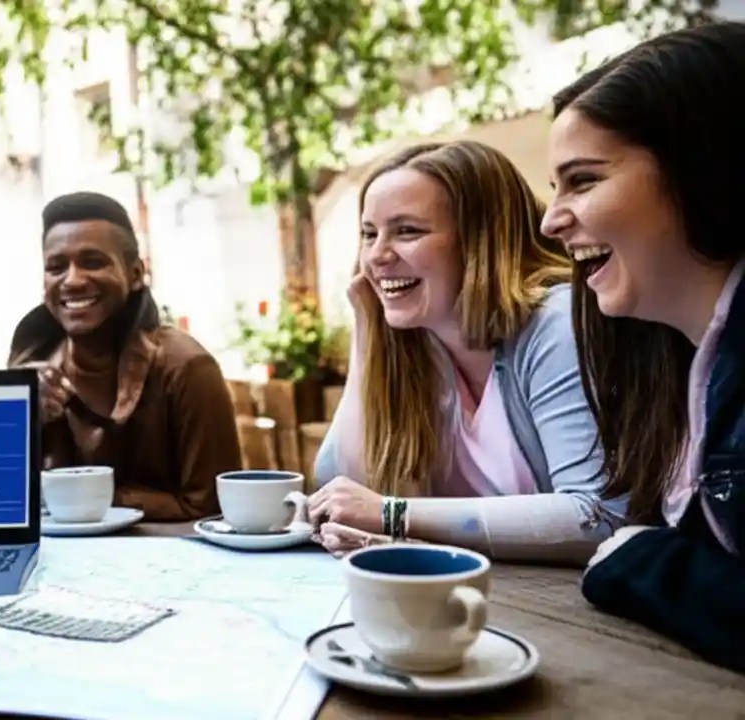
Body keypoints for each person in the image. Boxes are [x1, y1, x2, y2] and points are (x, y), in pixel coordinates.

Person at [307, 140, 623, 563]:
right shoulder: (419, 339)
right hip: (477, 597)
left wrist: (395, 514)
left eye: (407, 231)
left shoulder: (557, 325)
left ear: (480, 242)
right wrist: (366, 332)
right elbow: (344, 487)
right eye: (369, 234)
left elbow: (597, 516)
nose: (377, 256)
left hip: (573, 614)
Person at [541, 21, 745, 673]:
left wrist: (641, 561)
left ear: (698, 166)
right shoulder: (681, 362)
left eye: (582, 180)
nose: (550, 220)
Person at [9, 191, 241, 521]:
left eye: (92, 262)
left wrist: (95, 499)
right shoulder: (29, 373)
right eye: (56, 267)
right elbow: (0, 504)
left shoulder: (187, 369)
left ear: (135, 274)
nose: (72, 280)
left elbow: (213, 510)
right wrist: (21, 421)